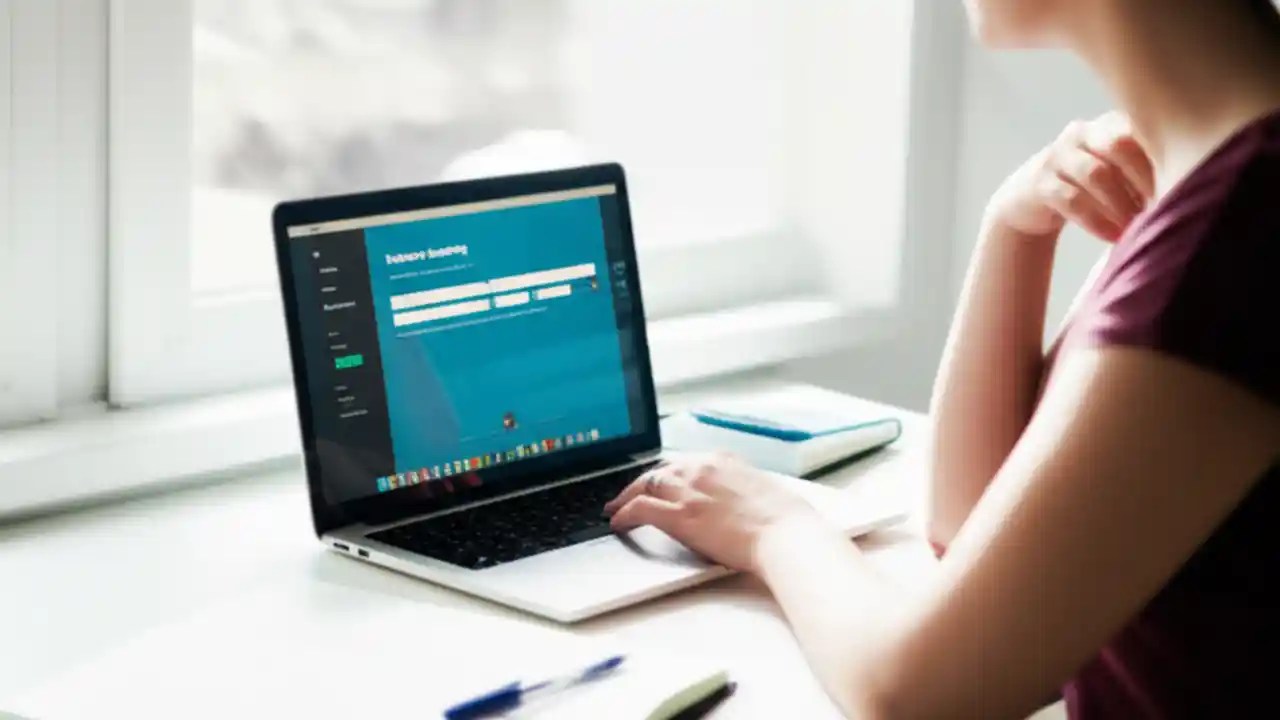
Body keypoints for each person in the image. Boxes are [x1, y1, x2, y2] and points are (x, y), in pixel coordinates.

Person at [604, 1, 1280, 717]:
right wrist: (1016, 226)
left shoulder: (1238, 231)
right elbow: (974, 523)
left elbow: (917, 695)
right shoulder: (1217, 179)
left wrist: (772, 525)